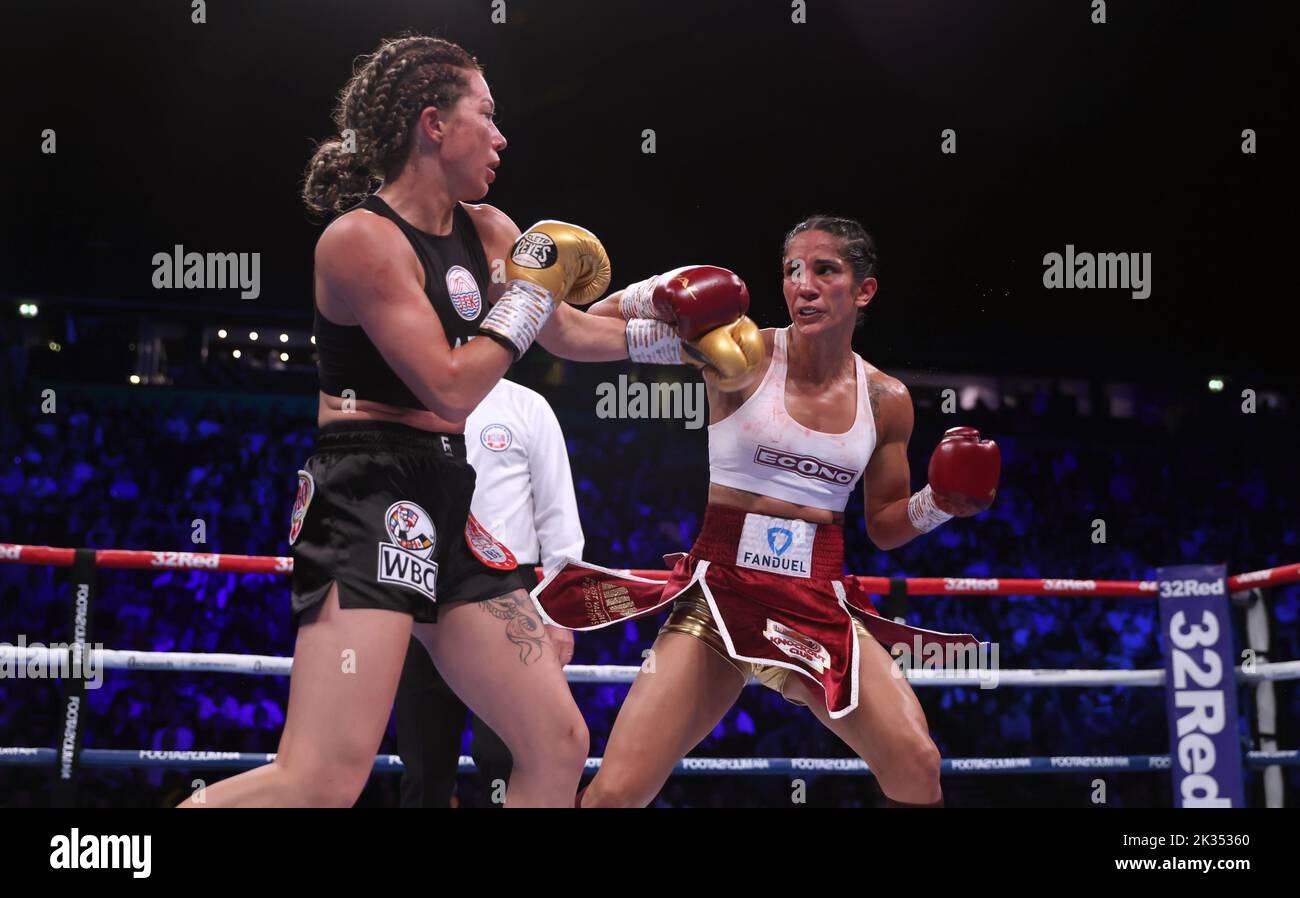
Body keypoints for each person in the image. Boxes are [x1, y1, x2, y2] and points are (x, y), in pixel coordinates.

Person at [179, 35, 687, 808]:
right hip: (368, 491)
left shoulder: (489, 230)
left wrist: (676, 338)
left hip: (450, 491)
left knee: (557, 743)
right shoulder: (359, 242)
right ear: (434, 124)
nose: (502, 135)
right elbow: (451, 387)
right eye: (487, 114)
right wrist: (526, 296)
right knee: (321, 780)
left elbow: (567, 331)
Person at [533, 216, 1001, 807]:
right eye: (792, 271)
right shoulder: (740, 352)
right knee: (615, 794)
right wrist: (652, 292)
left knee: (917, 764)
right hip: (721, 591)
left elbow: (883, 526)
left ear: (864, 289)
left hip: (816, 599)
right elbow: (572, 334)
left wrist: (940, 505)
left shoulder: (887, 399)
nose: (803, 285)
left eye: (825, 270)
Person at [394, 377, 584, 807]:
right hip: (420, 580)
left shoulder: (527, 405)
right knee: (423, 762)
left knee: (512, 752)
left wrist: (556, 617)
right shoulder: (409, 394)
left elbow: (559, 518)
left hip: (508, 584)